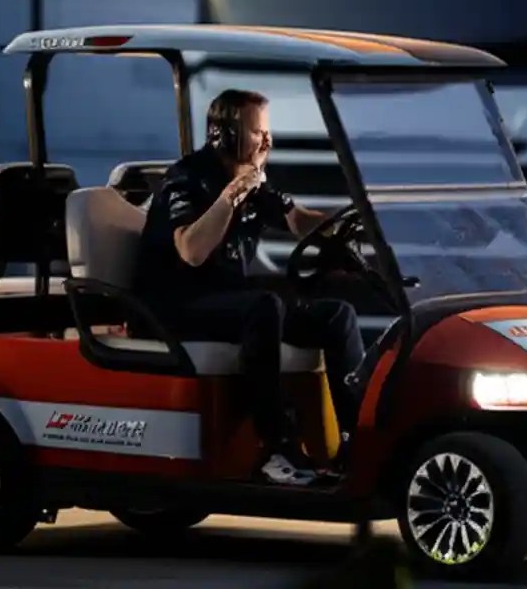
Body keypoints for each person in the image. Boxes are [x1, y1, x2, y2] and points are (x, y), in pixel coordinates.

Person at [132, 88, 367, 486]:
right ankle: (274, 448)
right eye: (259, 132)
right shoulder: (186, 180)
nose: (268, 142)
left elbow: (297, 220)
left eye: (267, 132)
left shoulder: (253, 179)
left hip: (228, 302)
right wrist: (236, 190)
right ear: (224, 136)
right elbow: (191, 250)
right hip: (175, 307)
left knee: (336, 316)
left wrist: (349, 224)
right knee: (265, 305)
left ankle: (356, 442)